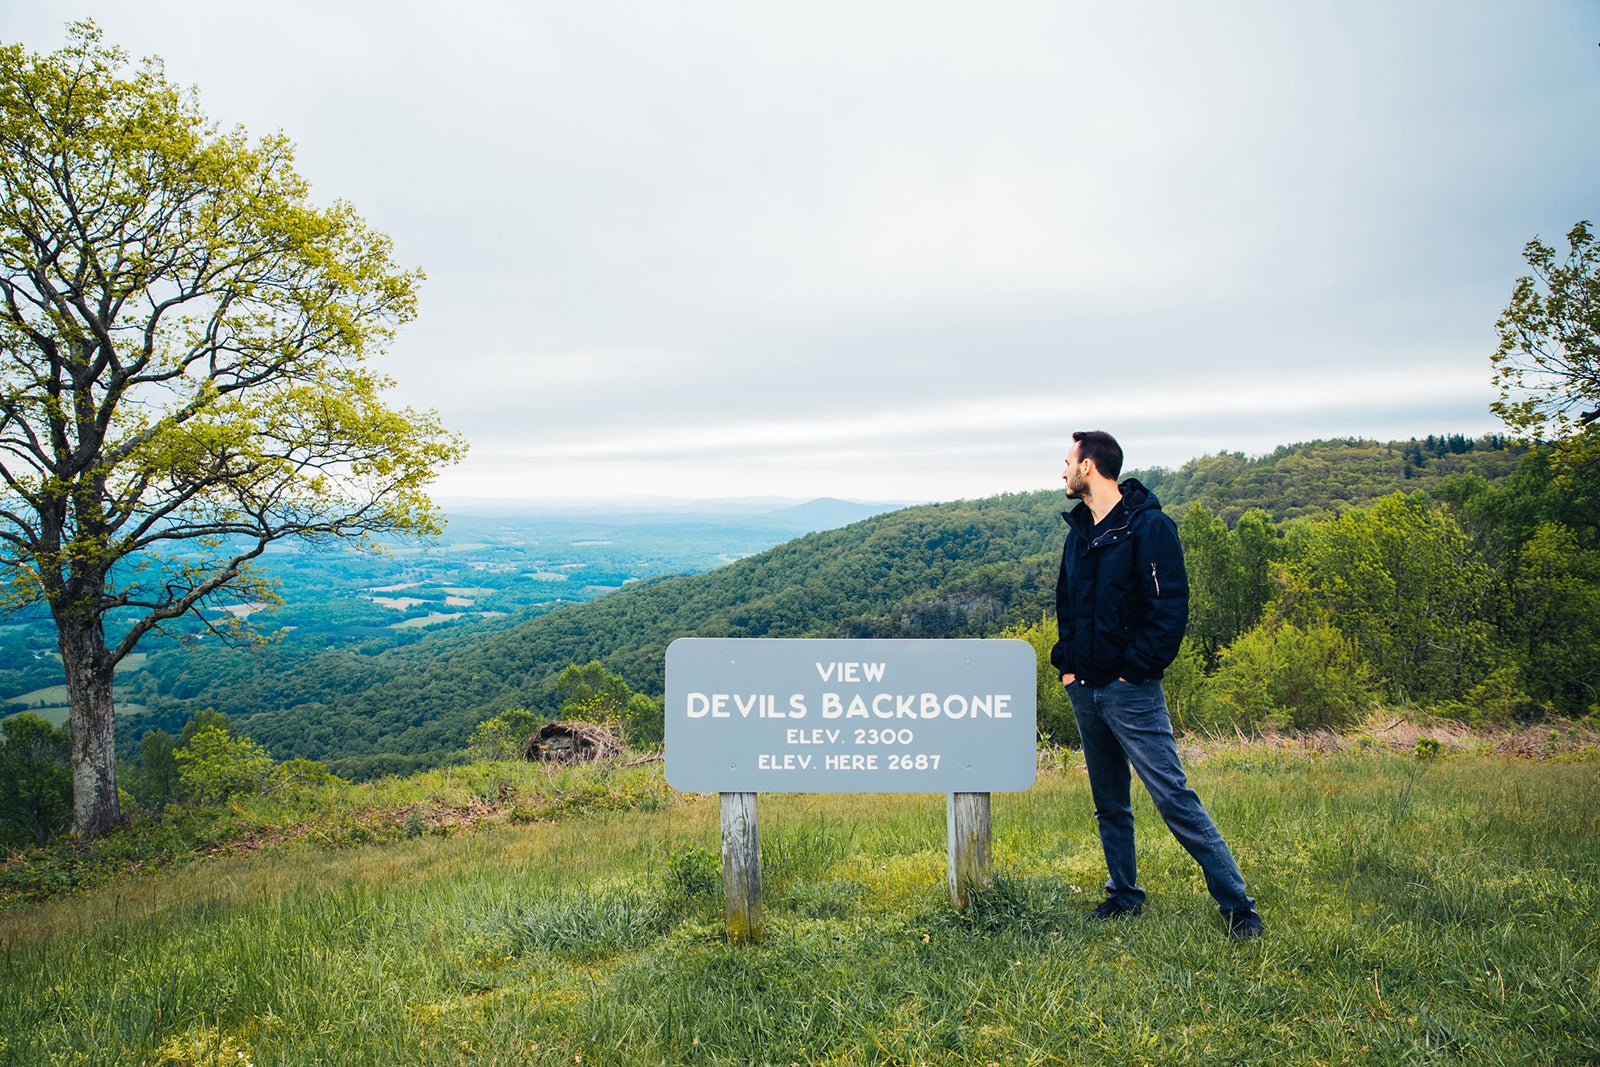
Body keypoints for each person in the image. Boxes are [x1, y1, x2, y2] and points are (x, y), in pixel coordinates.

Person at [1051, 430, 1264, 940]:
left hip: (1132, 691)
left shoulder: (1149, 526)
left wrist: (1135, 670)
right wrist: (1068, 667)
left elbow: (1169, 608)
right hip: (1085, 688)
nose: (1063, 471)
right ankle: (1123, 896)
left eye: (1068, 462)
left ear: (1089, 467)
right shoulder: (1080, 531)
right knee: (1109, 802)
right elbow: (1066, 604)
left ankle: (1238, 907)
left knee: (1172, 796)